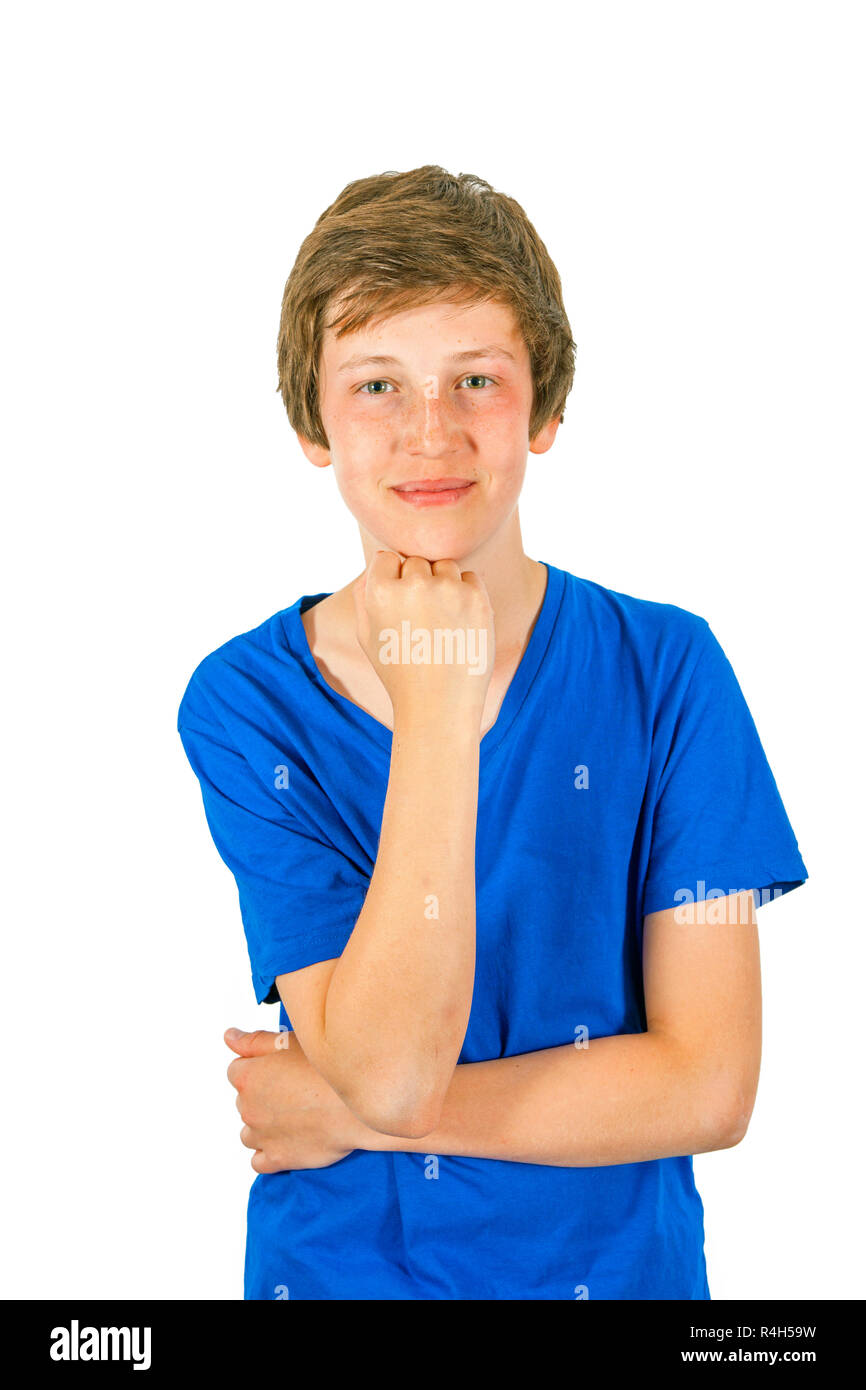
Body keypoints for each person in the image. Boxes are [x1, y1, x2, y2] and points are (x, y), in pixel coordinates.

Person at [177, 164, 808, 1301]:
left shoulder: (668, 674)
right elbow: (386, 1062)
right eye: (376, 385)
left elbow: (709, 1085)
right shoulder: (244, 704)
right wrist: (433, 703)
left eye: (476, 379)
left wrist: (347, 1111)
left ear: (545, 408)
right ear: (314, 421)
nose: (431, 430)